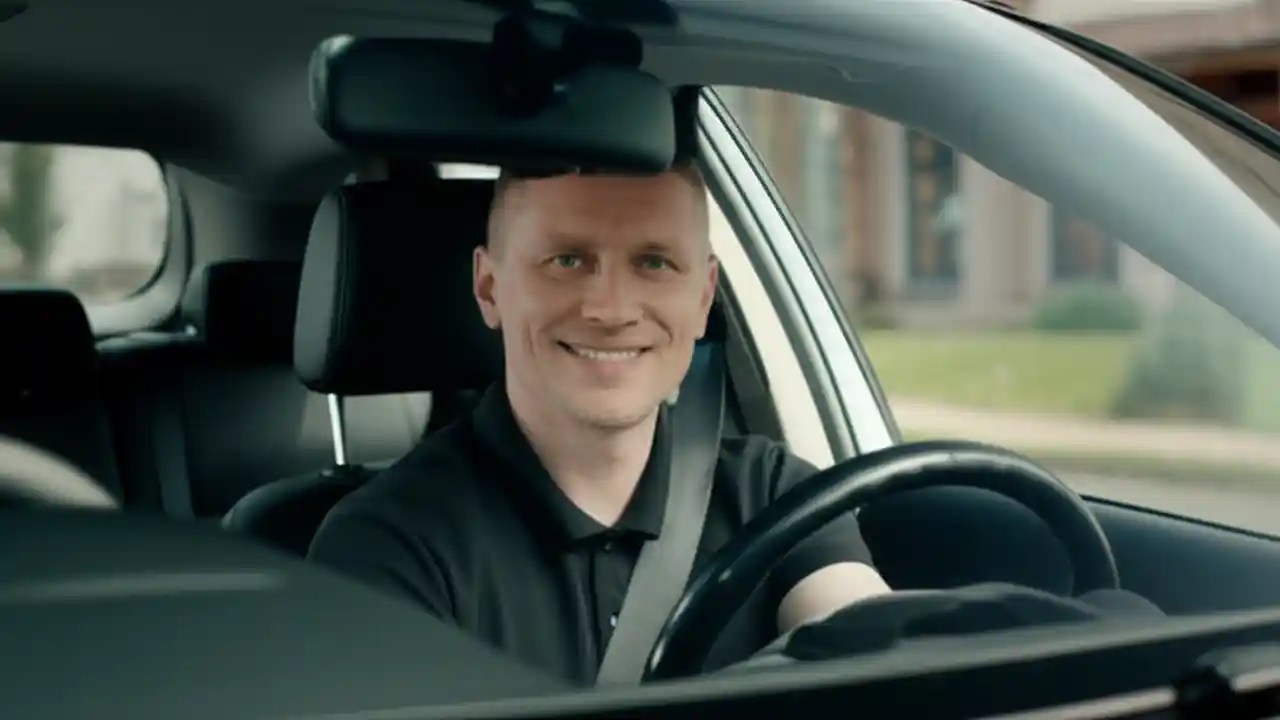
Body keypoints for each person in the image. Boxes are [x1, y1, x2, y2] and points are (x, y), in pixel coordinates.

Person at [307, 163, 893, 686]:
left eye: (654, 262)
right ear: (489, 288)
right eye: (566, 261)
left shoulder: (775, 495)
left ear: (703, 295)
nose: (610, 310)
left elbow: (872, 653)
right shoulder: (387, 544)